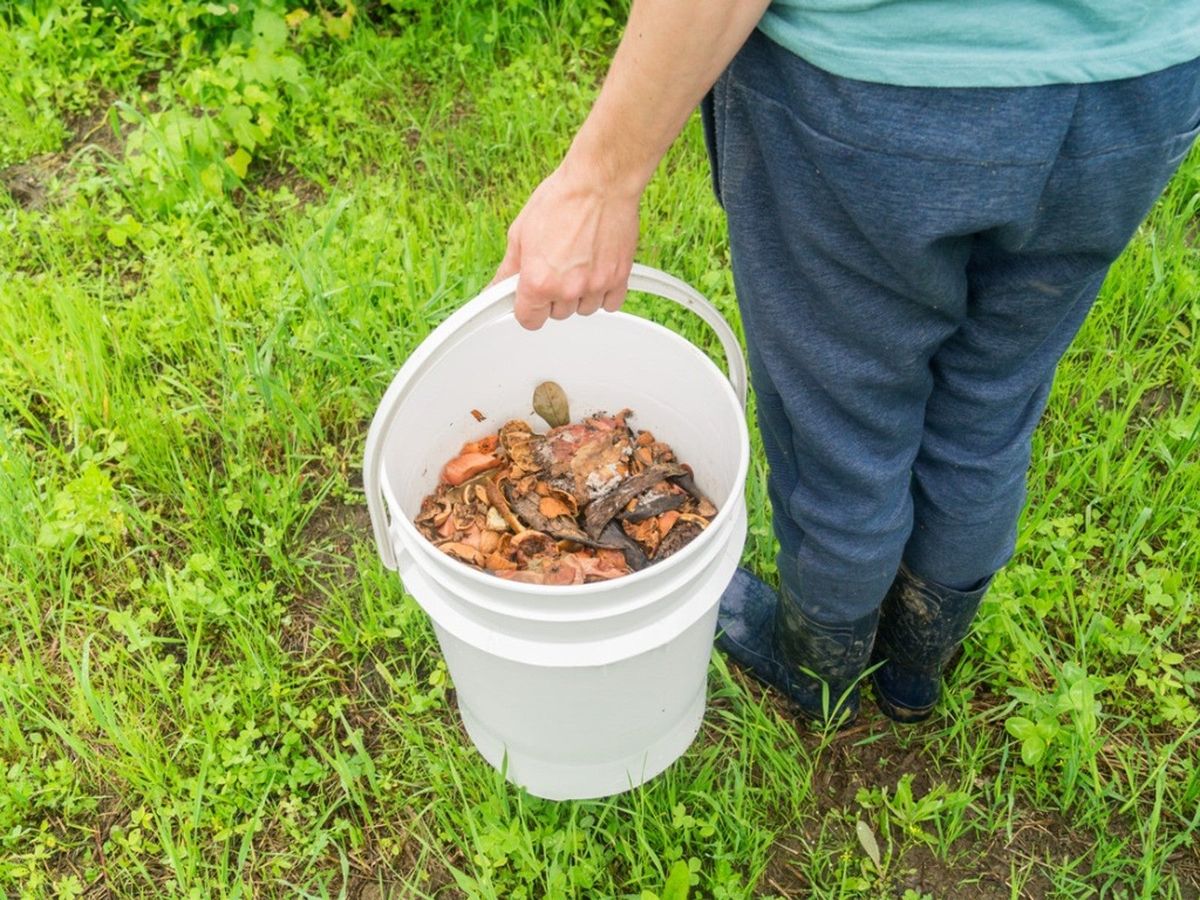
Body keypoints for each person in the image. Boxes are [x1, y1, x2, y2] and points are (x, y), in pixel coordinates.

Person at [492, 1, 1200, 726]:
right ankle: (914, 673)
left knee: (841, 427)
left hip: (877, 94)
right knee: (992, 400)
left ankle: (819, 671)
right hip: (1138, 83)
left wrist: (599, 180)